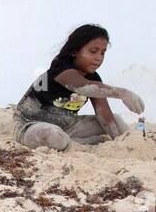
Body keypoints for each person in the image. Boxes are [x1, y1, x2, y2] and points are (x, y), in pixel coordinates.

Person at [13, 24, 144, 150]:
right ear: (75, 51)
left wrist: (121, 141)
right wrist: (122, 93)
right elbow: (83, 87)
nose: (98, 58)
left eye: (103, 53)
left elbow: (103, 115)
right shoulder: (61, 68)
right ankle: (77, 144)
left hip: (69, 125)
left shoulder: (94, 78)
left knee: (116, 120)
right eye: (93, 51)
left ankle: (72, 140)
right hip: (30, 124)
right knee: (52, 136)